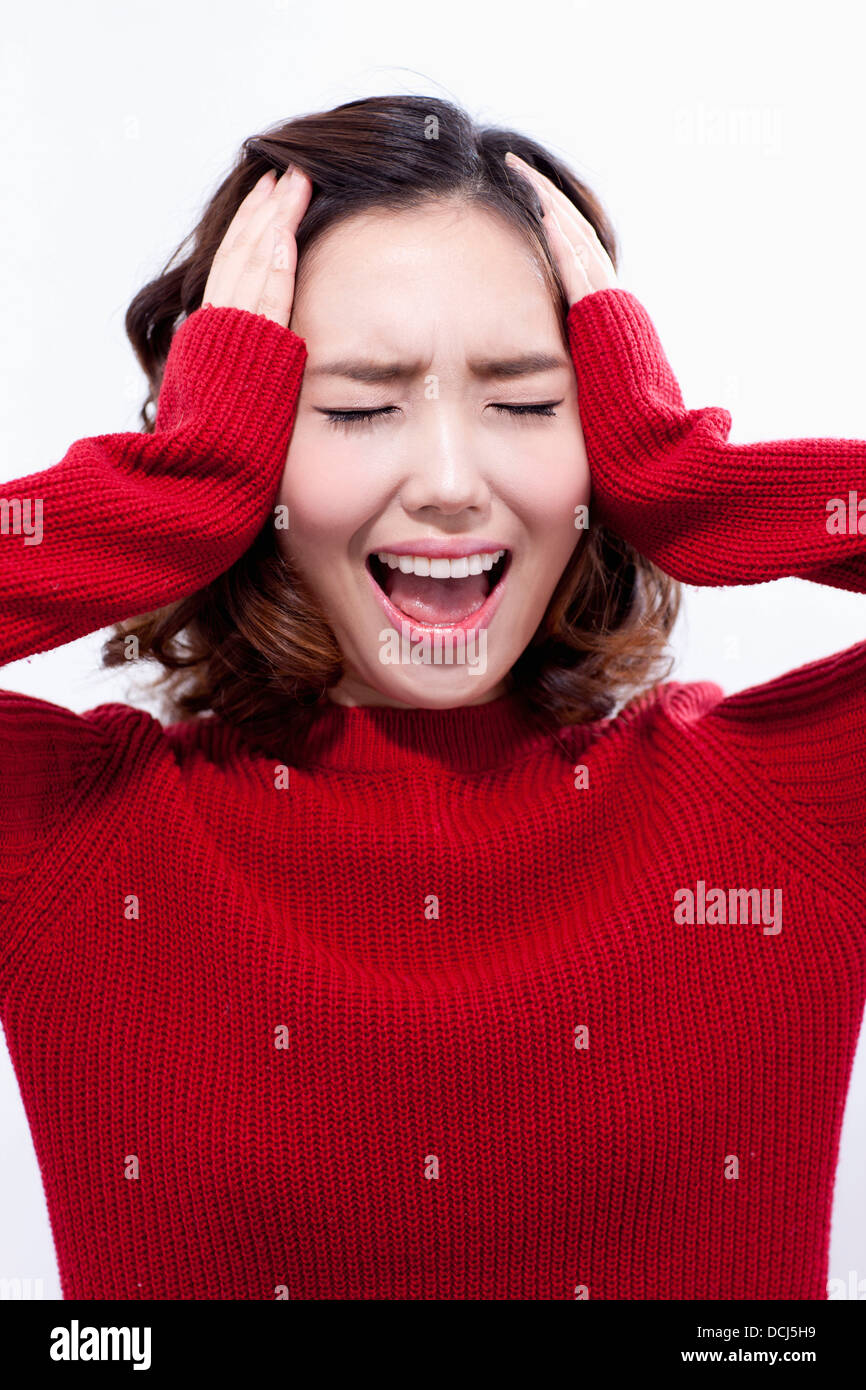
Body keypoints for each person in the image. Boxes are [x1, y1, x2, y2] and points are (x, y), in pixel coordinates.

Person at [1, 94, 863, 1301]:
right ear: (248, 442)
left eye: (524, 402)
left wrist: (700, 487)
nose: (451, 483)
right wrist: (174, 492)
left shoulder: (785, 811)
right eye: (355, 408)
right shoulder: (73, 843)